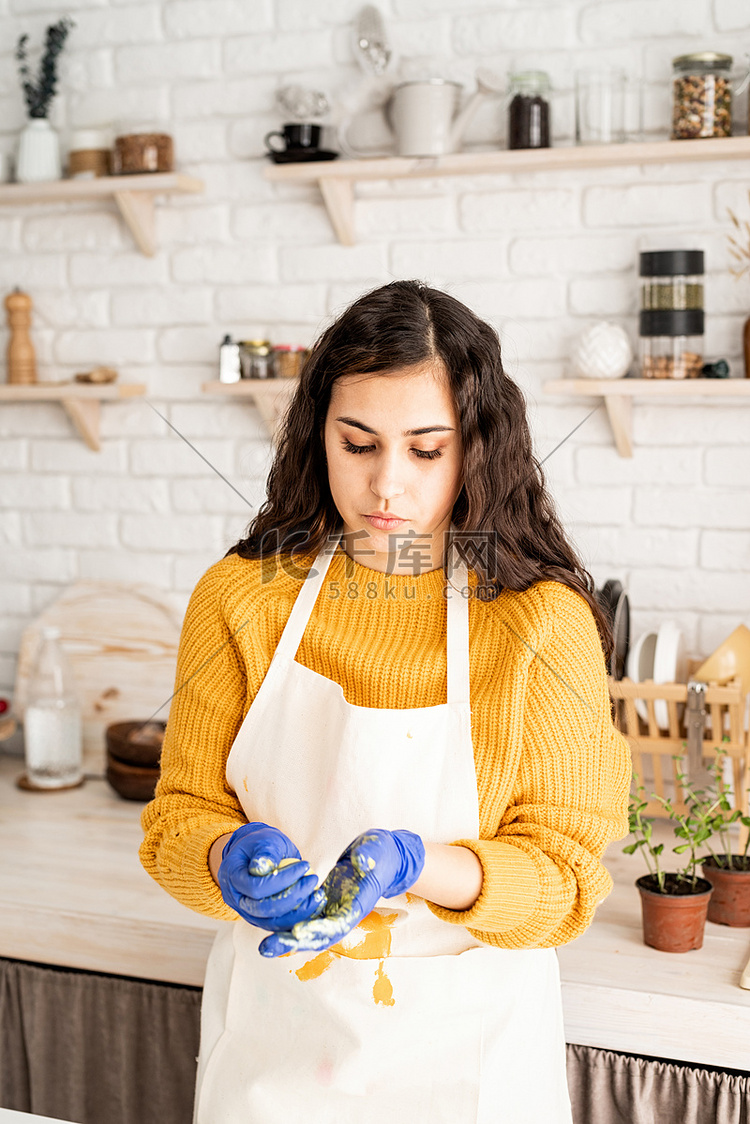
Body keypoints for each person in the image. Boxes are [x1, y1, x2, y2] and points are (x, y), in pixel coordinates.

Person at [139, 279, 631, 1124]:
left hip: (468, 1068)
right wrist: (225, 858)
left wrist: (422, 865)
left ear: (477, 446)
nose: (385, 488)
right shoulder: (240, 599)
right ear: (317, 436)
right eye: (357, 443)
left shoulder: (540, 624)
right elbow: (176, 820)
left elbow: (568, 885)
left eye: (425, 450)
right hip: (275, 1057)